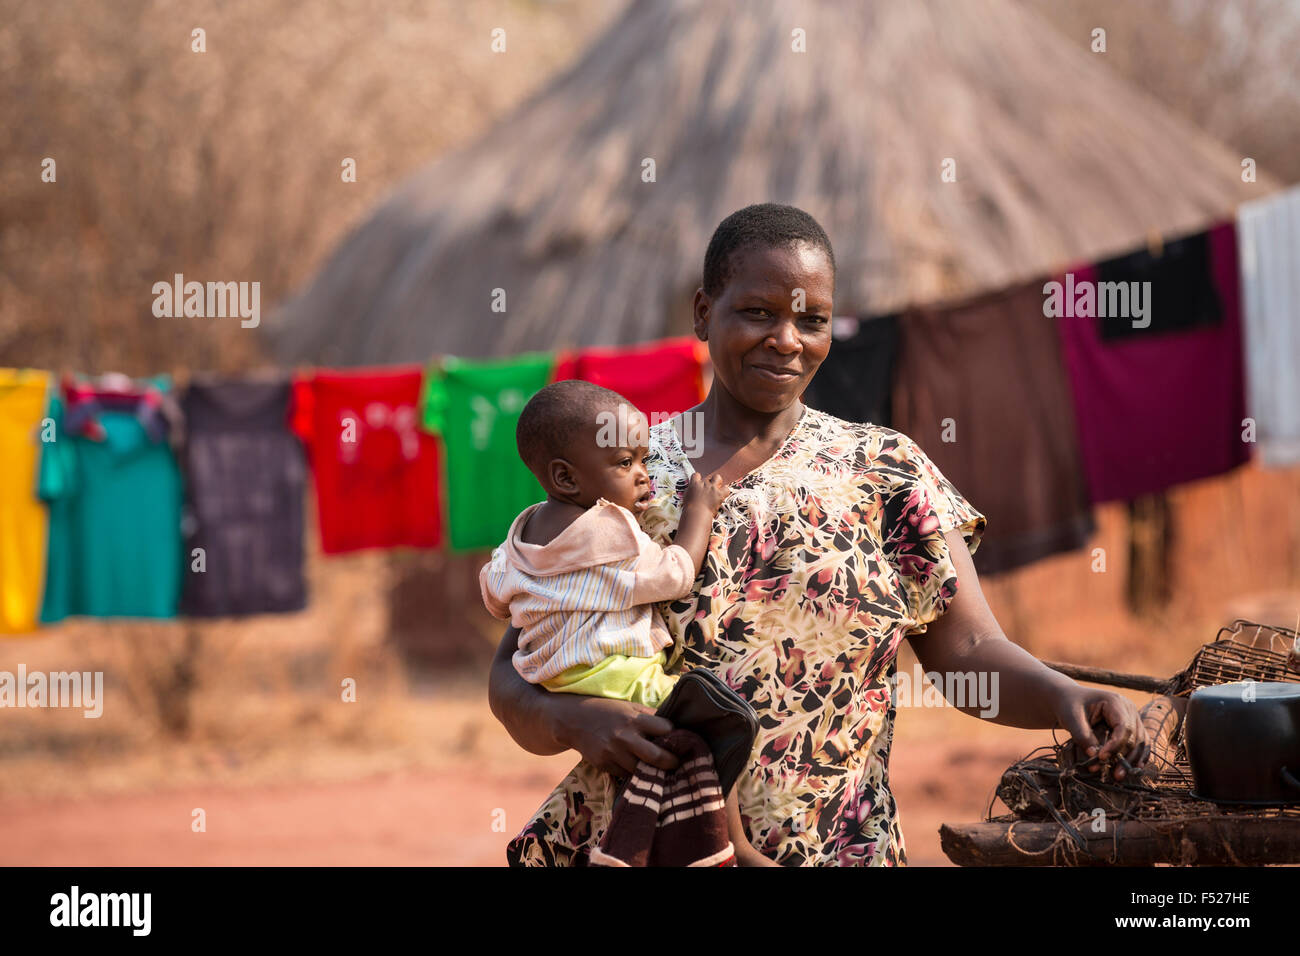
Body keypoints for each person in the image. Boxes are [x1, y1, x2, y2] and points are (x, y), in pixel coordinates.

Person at [488, 203, 1151, 866]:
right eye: (757, 312)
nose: (786, 339)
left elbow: (970, 648)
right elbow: (518, 664)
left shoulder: (889, 472)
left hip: (836, 848)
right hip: (645, 845)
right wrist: (571, 721)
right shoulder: (625, 474)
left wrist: (1063, 693)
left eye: (812, 319)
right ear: (701, 313)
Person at [480, 380, 767, 865]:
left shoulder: (521, 533)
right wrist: (698, 512)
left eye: (643, 459)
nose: (643, 477)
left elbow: (494, 596)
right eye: (625, 463)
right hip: (611, 673)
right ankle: (734, 846)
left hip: (555, 681)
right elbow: (674, 575)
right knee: (708, 725)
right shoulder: (607, 530)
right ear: (567, 479)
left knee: (643, 769)